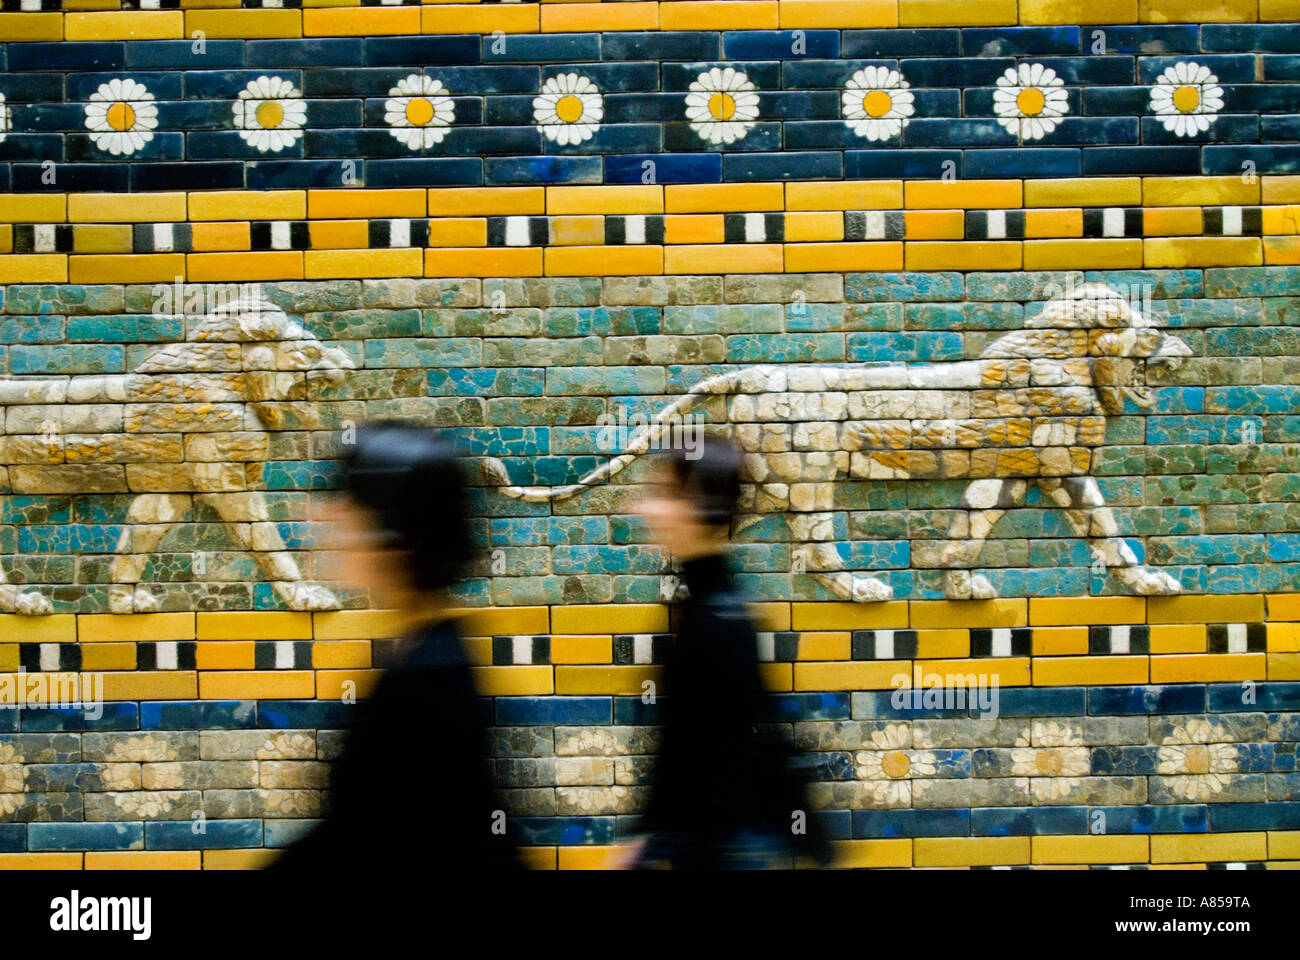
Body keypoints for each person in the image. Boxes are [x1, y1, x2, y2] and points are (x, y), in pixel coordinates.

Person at [269, 421, 522, 874]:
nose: (321, 514)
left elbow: (357, 840)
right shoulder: (429, 650)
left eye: (345, 498)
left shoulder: (428, 676)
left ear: (393, 527)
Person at [611, 435, 832, 870]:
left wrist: (646, 837)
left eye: (663, 494)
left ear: (698, 503)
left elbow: (708, 750)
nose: (643, 509)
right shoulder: (710, 601)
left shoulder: (718, 615)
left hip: (719, 847)